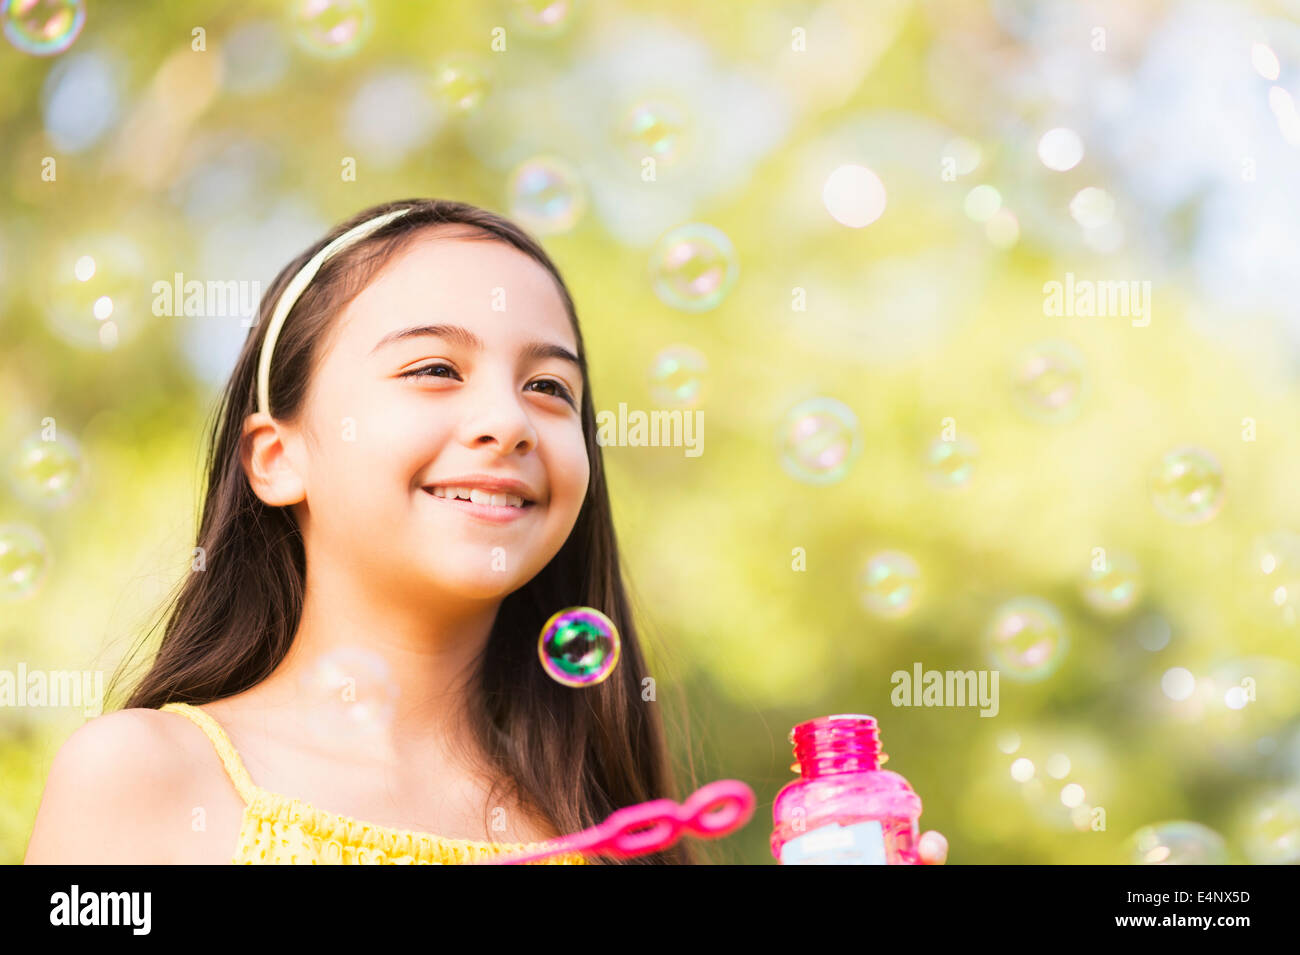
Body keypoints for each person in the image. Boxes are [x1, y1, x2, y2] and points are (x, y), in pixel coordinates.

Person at [23, 197, 947, 865]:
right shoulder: (147, 778)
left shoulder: (609, 830)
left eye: (550, 388)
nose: (508, 422)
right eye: (434, 367)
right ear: (277, 457)